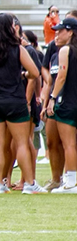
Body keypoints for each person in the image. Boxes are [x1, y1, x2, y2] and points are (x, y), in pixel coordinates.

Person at [0, 12, 45, 194]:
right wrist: (23, 75)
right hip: (14, 99)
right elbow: (35, 73)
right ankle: (29, 184)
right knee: (21, 143)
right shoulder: (17, 49)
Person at [45, 16, 77, 193]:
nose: (57, 33)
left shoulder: (65, 51)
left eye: (61, 30)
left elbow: (61, 76)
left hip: (68, 102)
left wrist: (52, 97)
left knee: (69, 144)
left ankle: (71, 182)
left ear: (70, 32)